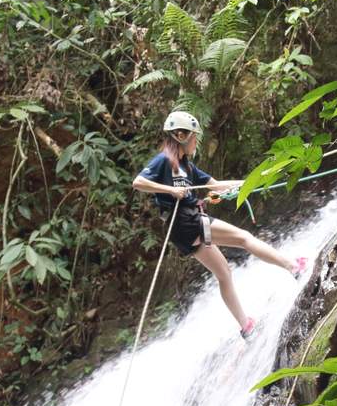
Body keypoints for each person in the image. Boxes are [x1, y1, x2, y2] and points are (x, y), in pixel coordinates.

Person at [132, 111, 308, 339]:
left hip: (183, 226)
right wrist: (171, 190)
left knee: (224, 272)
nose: (196, 141)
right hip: (184, 221)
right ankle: (294, 268)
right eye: (194, 137)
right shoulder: (164, 160)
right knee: (244, 238)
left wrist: (252, 182)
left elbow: (216, 186)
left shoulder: (188, 168)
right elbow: (138, 182)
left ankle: (246, 326)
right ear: (181, 136)